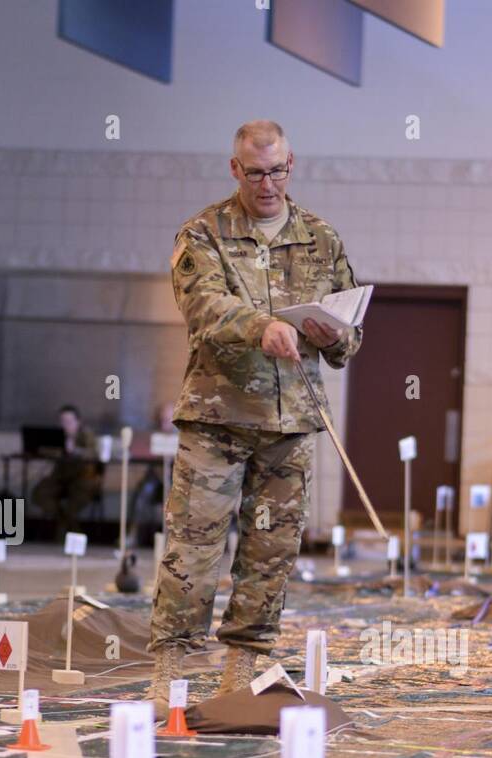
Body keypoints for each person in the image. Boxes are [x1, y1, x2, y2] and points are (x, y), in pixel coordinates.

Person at [148, 119, 363, 706]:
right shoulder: (203, 234)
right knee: (193, 548)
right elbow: (203, 306)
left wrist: (333, 334)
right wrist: (259, 326)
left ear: (291, 166)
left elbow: (349, 336)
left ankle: (242, 671)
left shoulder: (323, 239)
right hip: (216, 420)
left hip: (289, 424)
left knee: (271, 551)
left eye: (278, 171)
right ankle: (171, 668)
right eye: (254, 172)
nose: (267, 183)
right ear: (235, 169)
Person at [32, 405, 98, 540]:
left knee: (77, 499)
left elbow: (94, 454)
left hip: (81, 478)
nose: (65, 425)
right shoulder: (58, 436)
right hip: (59, 478)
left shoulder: (86, 435)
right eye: (62, 421)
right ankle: (65, 522)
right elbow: (45, 450)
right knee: (40, 493)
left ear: (78, 422)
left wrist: (75, 450)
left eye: (69, 422)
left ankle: (64, 529)